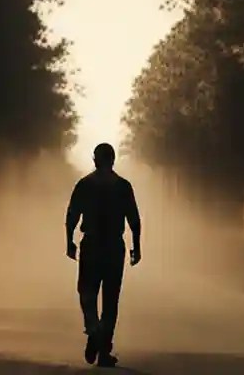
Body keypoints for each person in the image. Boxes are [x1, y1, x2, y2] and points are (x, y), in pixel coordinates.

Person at [65, 142, 142, 367]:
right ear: (113, 160)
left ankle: (93, 329)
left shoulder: (85, 185)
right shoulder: (123, 187)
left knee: (87, 292)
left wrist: (69, 241)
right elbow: (134, 220)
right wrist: (137, 247)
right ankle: (103, 349)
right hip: (113, 248)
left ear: (95, 160)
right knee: (111, 299)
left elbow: (72, 214)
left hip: (91, 246)